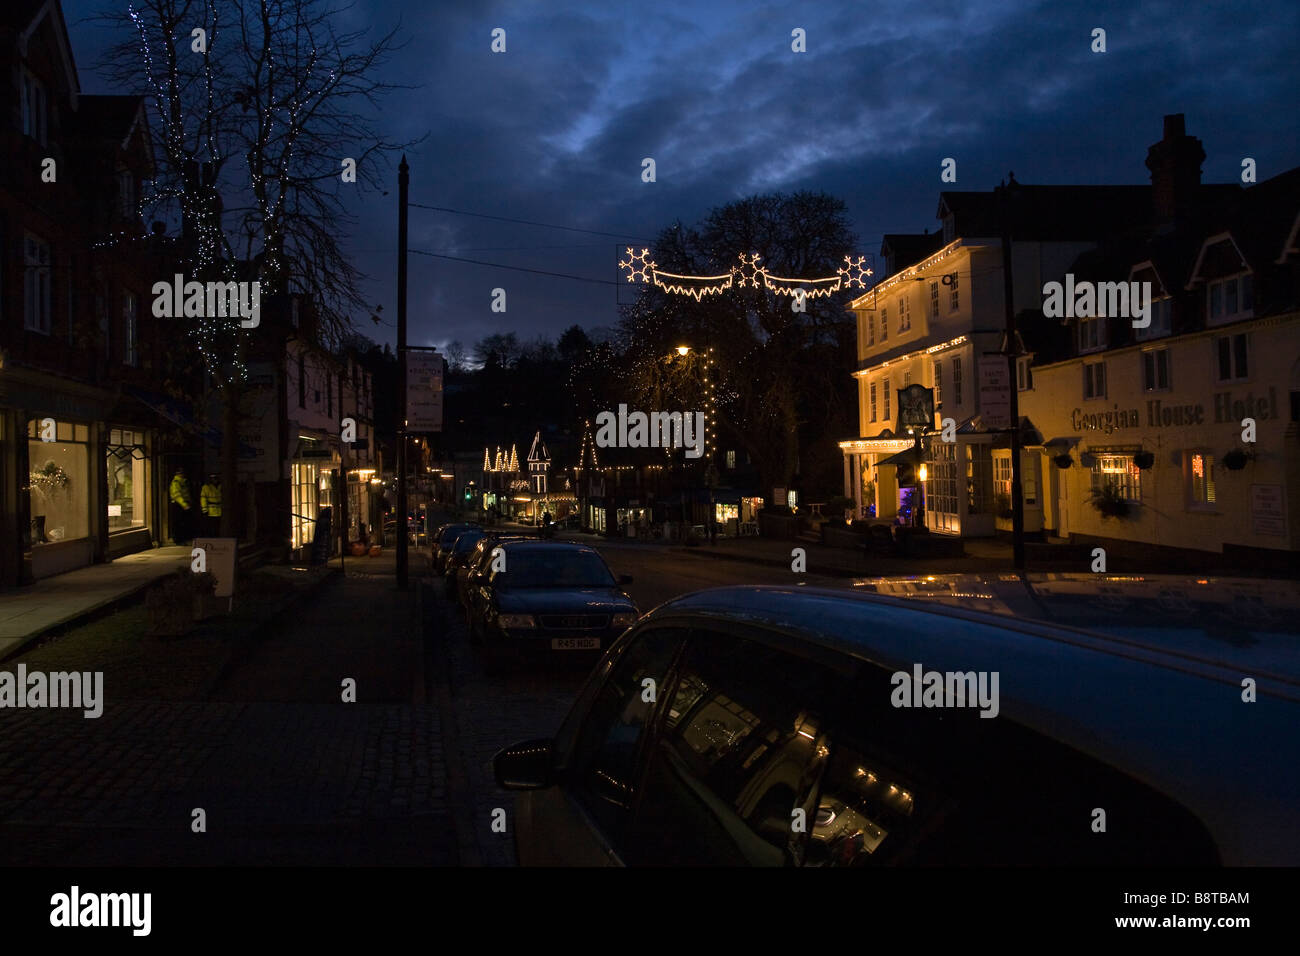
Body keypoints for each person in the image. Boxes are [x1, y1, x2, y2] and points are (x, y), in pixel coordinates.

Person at [169, 467, 194, 544]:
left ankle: (183, 539)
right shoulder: (176, 482)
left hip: (183, 504)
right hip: (178, 505)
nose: (183, 474)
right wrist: (185, 505)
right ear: (178, 474)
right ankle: (178, 540)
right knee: (178, 524)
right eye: (181, 473)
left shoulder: (183, 482)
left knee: (183, 523)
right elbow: (177, 495)